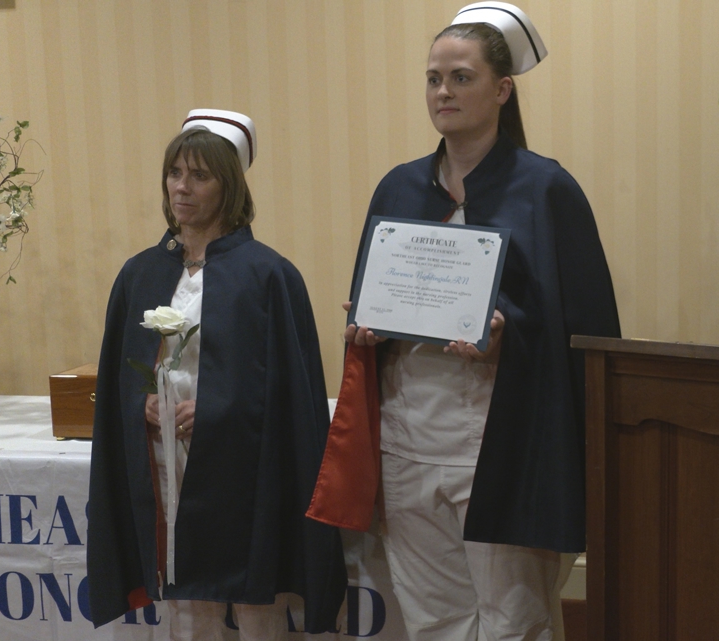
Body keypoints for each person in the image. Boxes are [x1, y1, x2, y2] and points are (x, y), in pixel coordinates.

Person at [309, 4, 620, 640]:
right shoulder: (399, 188)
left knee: (513, 622)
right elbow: (375, 299)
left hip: (500, 441)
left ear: (502, 90)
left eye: (461, 77)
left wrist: (511, 332)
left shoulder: (546, 189)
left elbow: (585, 328)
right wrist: (365, 326)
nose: (443, 91)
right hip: (407, 440)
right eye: (433, 78)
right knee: (432, 621)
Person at [87, 109, 346, 639]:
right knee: (184, 600)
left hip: (244, 473)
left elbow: (292, 394)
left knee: (256, 601)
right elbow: (120, 373)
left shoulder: (268, 275)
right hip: (167, 465)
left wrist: (218, 411)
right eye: (175, 173)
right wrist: (142, 403)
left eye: (200, 176)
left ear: (229, 184)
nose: (182, 188)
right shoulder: (142, 272)